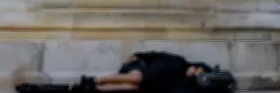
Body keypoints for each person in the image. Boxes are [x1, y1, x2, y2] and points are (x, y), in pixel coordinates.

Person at [78, 51, 212, 92]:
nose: (195, 72)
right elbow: (156, 54)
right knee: (137, 79)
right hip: (138, 66)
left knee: (133, 87)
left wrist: (191, 78)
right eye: (197, 69)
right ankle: (94, 80)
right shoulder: (178, 60)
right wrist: (138, 55)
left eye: (197, 75)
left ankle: (95, 88)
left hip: (146, 82)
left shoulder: (179, 83)